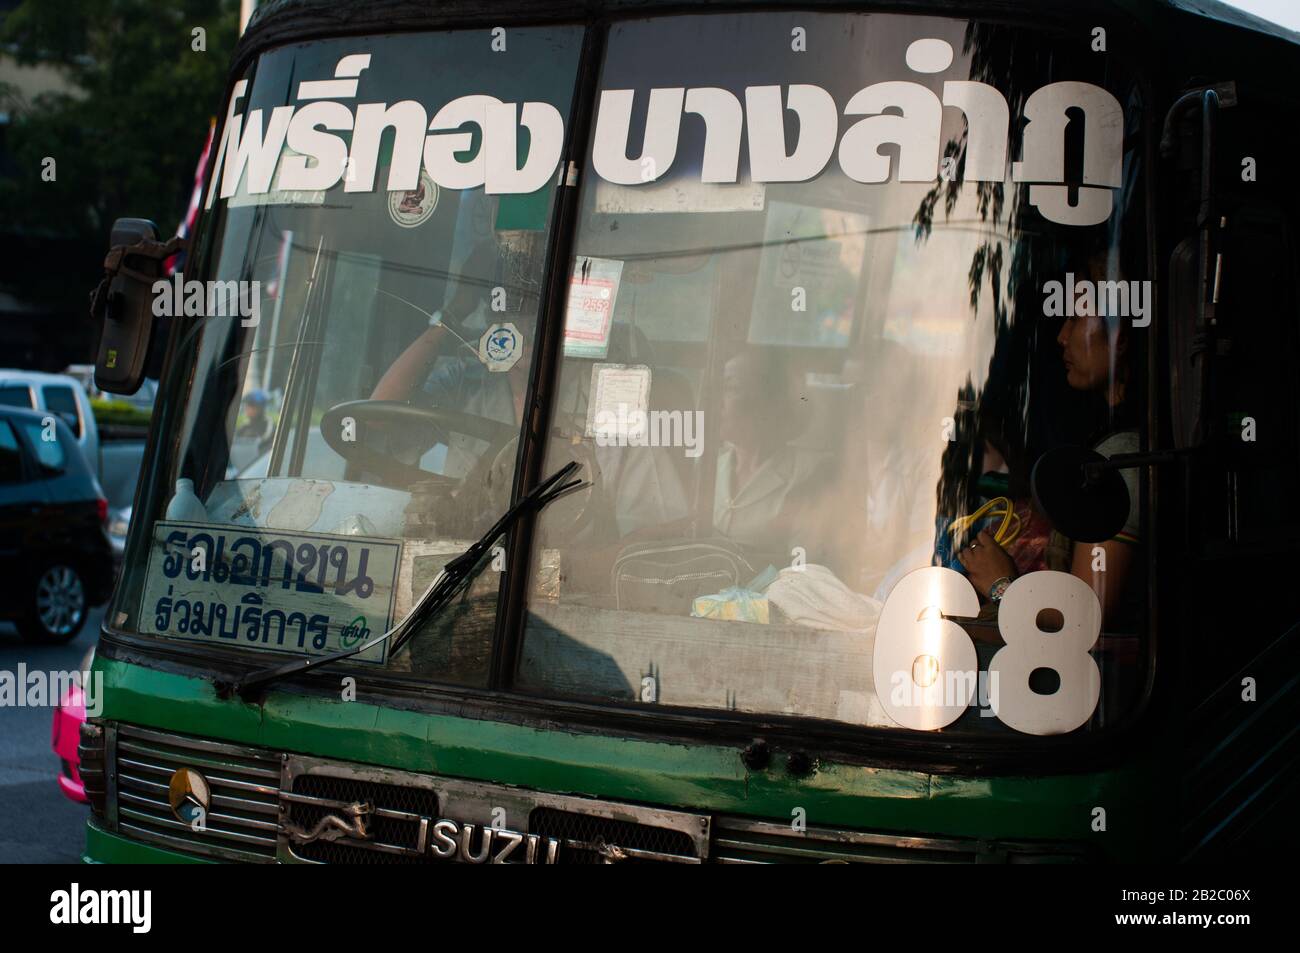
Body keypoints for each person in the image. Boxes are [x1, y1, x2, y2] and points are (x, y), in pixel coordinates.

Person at [959, 255, 1140, 628]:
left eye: (1075, 319)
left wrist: (1002, 585)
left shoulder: (1121, 459)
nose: (1061, 336)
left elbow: (1081, 623)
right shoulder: (1096, 437)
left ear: (1119, 337)